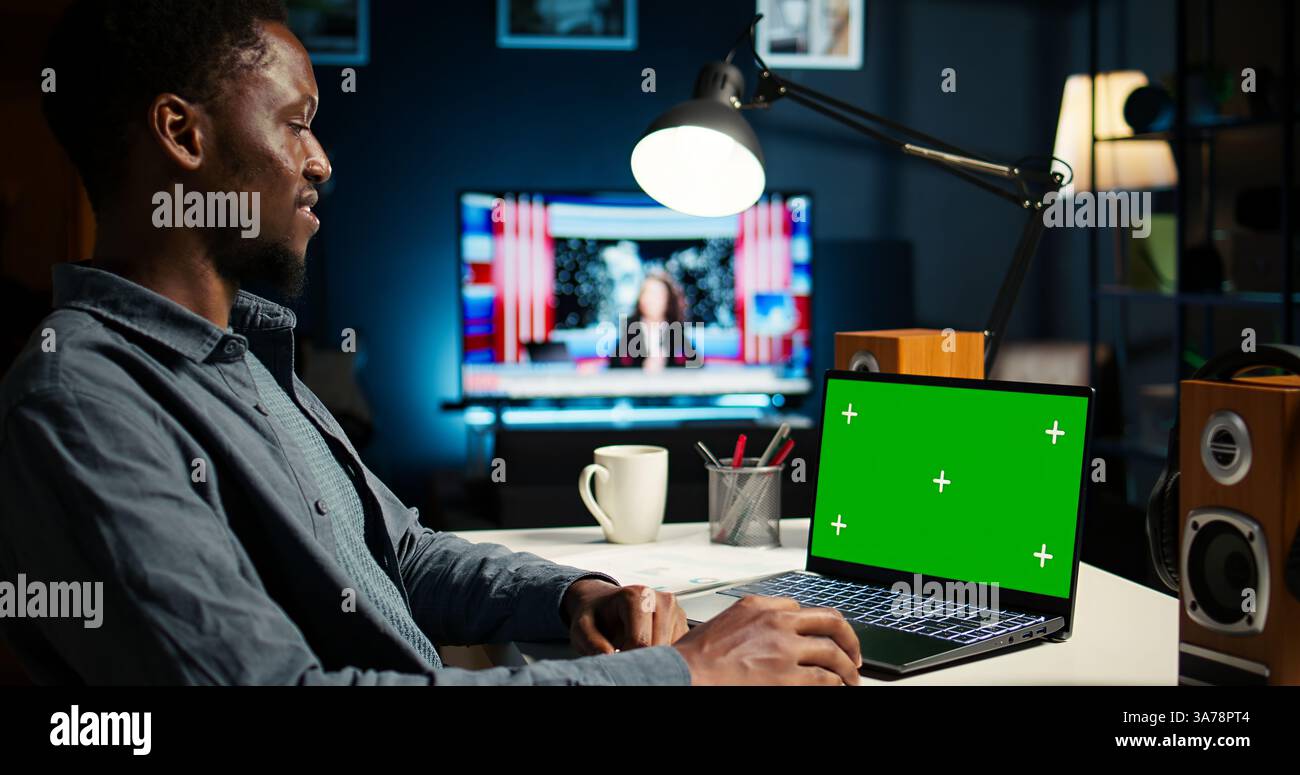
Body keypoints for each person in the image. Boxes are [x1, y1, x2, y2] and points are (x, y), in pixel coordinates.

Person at [0, 0, 861, 686]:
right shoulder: (82, 399)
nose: (322, 160)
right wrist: (682, 672)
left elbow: (400, 552)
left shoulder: (242, 359)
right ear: (183, 135)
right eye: (297, 123)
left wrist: (574, 595)